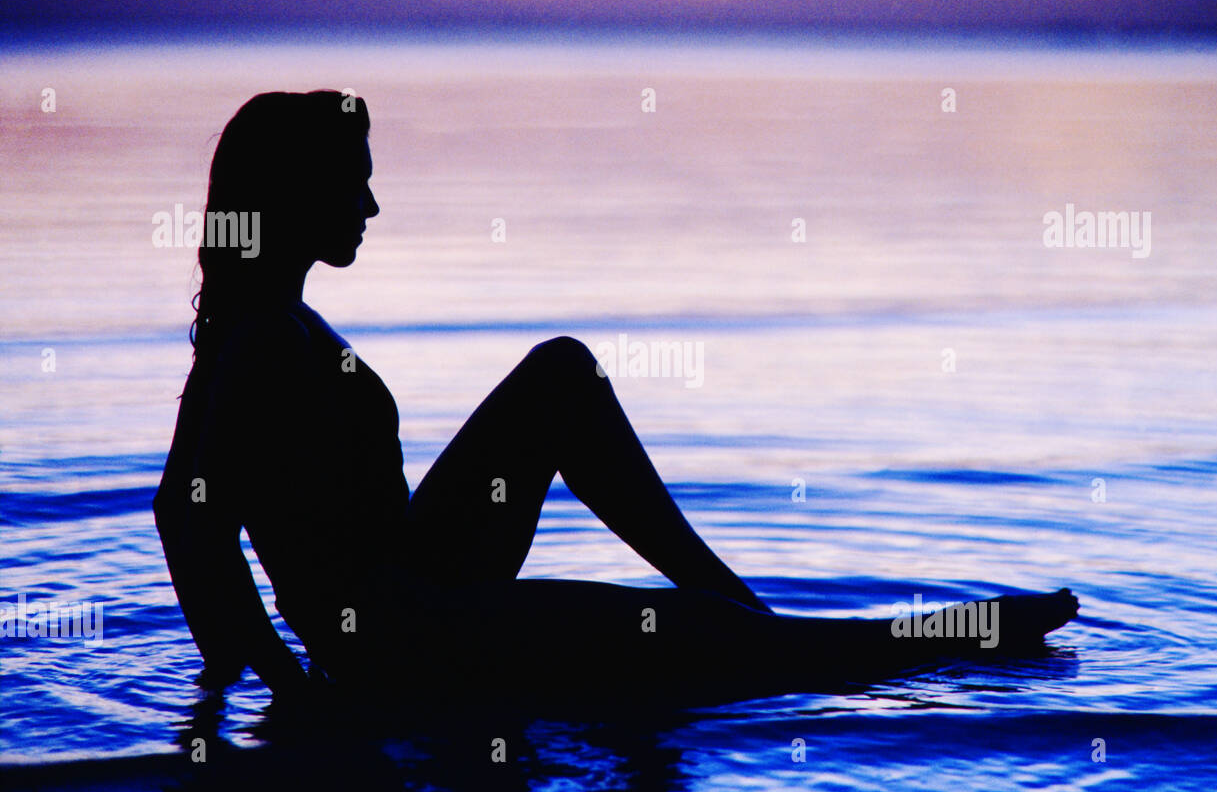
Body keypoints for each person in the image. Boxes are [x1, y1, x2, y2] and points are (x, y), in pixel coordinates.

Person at [153, 91, 1078, 706]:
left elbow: (172, 506)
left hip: (418, 584)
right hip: (405, 633)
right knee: (739, 650)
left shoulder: (264, 323)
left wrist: (237, 670)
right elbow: (193, 523)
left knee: (563, 372)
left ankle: (745, 607)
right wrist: (288, 684)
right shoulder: (264, 339)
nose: (372, 205)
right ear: (300, 189)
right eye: (354, 181)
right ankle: (914, 636)